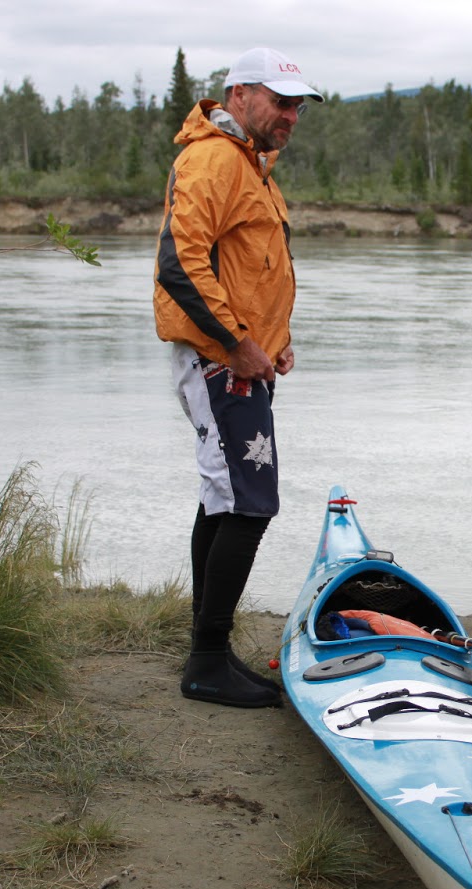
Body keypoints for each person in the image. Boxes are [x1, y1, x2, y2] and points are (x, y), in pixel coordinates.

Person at [154, 47, 321, 707]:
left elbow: (246, 264)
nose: (292, 115)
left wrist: (273, 342)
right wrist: (238, 342)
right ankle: (205, 661)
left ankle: (212, 651)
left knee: (225, 499)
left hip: (241, 362)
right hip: (220, 363)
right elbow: (179, 263)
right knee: (251, 503)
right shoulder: (213, 160)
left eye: (298, 105)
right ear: (239, 94)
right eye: (281, 102)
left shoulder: (247, 165)